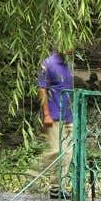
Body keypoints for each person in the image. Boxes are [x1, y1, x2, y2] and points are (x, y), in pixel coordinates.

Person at [35, 46, 73, 176]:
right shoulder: (48, 64)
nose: (72, 47)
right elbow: (42, 89)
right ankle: (34, 170)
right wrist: (46, 114)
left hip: (68, 116)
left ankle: (56, 187)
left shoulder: (67, 65)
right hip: (54, 115)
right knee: (59, 151)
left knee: (68, 153)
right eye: (69, 43)